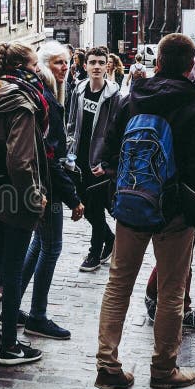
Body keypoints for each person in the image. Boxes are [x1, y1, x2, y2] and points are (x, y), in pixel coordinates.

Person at [95, 33, 195, 389]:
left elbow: (111, 151)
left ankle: (107, 365)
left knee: (118, 285)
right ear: (191, 67)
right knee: (171, 291)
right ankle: (164, 368)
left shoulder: (132, 98)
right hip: (175, 215)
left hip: (132, 205)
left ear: (158, 63)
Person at [0, 42, 49, 365]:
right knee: (13, 271)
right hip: (16, 196)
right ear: (21, 67)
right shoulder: (23, 103)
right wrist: (34, 196)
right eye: (33, 65)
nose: (37, 70)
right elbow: (20, 159)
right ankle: (10, 345)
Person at [17, 42, 84, 340]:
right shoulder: (47, 99)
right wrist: (73, 198)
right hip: (48, 188)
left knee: (38, 244)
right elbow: (51, 157)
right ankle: (38, 315)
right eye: (57, 63)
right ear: (43, 66)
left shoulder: (51, 95)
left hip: (40, 185)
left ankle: (14, 305)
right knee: (51, 247)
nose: (64, 67)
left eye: (66, 62)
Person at [65, 47, 120, 272]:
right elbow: (71, 123)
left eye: (101, 62)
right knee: (86, 207)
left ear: (108, 65)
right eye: (92, 62)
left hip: (99, 162)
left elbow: (118, 132)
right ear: (85, 65)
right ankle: (110, 238)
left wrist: (107, 164)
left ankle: (94, 253)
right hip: (78, 160)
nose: (96, 66)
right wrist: (69, 154)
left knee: (95, 208)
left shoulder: (116, 96)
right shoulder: (78, 90)